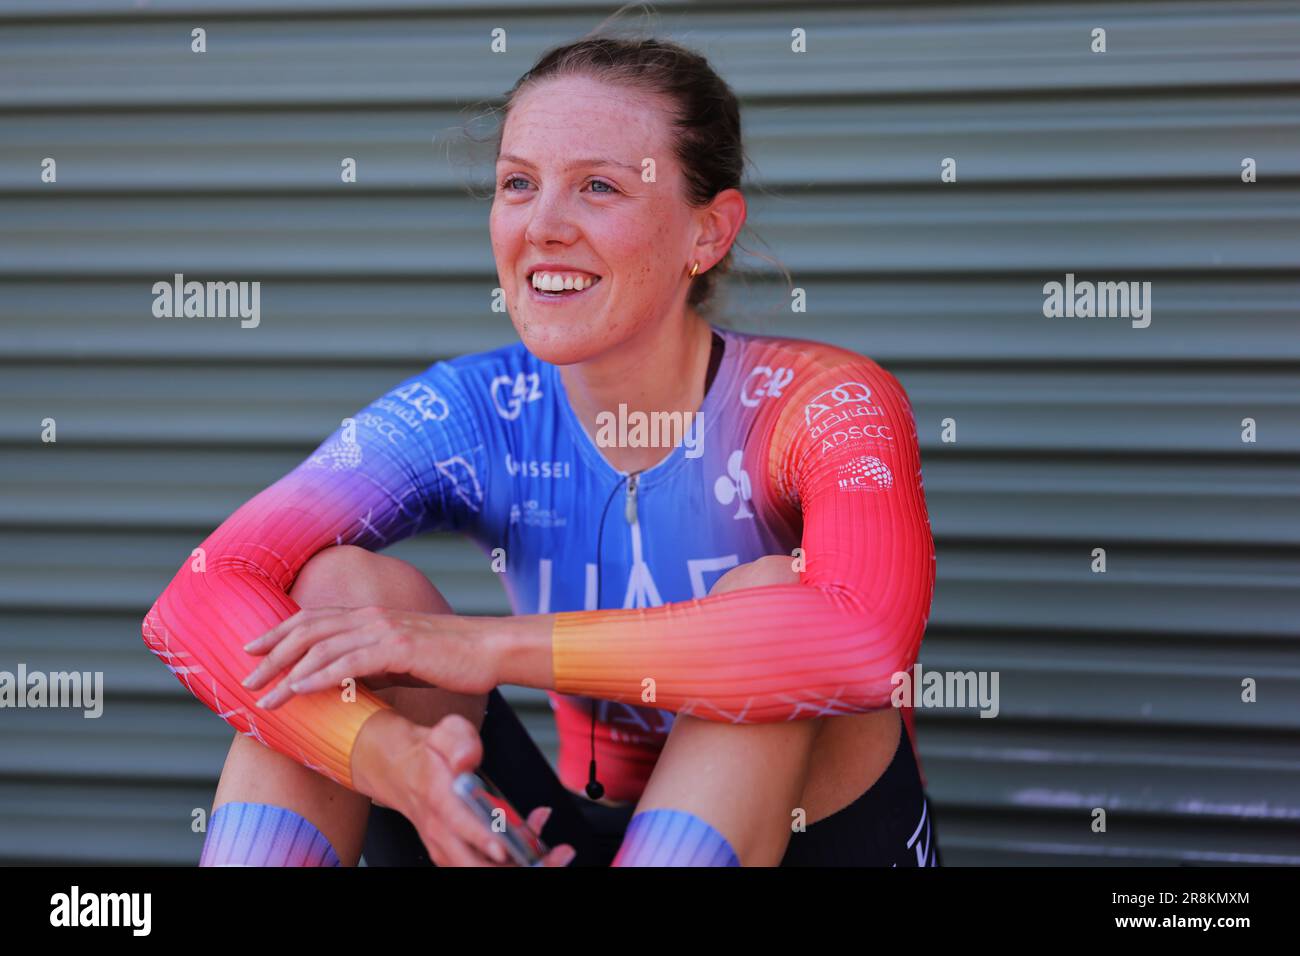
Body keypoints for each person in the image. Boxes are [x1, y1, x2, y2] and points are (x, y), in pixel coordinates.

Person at [143, 34, 940, 868]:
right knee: (338, 601)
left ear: (708, 232)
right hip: (572, 832)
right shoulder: (478, 408)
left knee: (774, 599)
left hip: (816, 837)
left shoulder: (822, 399)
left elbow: (864, 641)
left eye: (599, 186)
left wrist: (485, 647)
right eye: (518, 183)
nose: (543, 227)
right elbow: (194, 600)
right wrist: (390, 759)